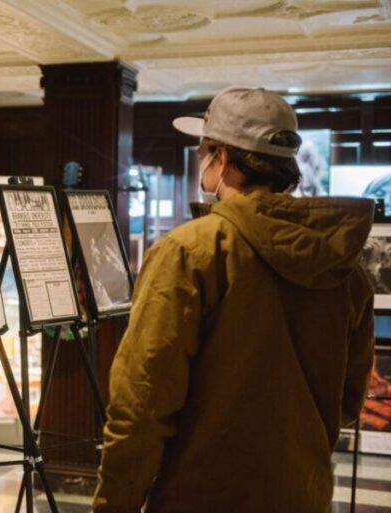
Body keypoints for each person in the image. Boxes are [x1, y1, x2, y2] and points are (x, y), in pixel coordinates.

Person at [94, 87, 376, 513]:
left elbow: (143, 400)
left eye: (202, 151)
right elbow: (349, 402)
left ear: (221, 158)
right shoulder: (344, 267)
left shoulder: (191, 251)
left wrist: (115, 504)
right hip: (303, 495)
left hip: (200, 496)